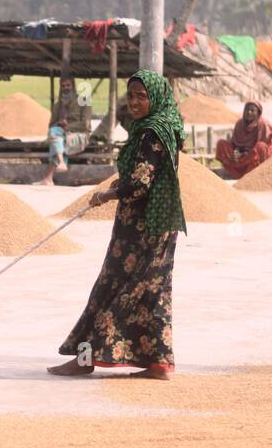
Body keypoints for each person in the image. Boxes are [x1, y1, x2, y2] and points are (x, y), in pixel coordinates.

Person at [49, 68, 185, 380]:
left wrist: (107, 194)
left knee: (111, 289)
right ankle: (157, 365)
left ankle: (85, 359)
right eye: (132, 95)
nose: (135, 102)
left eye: (142, 96)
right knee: (153, 292)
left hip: (140, 227)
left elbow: (140, 182)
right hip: (162, 225)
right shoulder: (167, 126)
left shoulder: (151, 132)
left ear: (156, 98)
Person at [41, 76, 90, 184]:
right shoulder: (57, 105)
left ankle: (49, 177)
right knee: (54, 133)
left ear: (73, 86)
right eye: (63, 86)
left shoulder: (83, 101)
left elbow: (86, 125)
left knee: (58, 140)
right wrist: (59, 124)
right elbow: (51, 125)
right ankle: (60, 164)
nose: (65, 88)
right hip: (60, 133)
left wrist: (68, 126)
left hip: (79, 135)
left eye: (68, 85)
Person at [215, 100, 272, 179]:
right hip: (241, 156)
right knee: (221, 144)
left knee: (261, 146)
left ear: (258, 113)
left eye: (252, 110)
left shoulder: (263, 124)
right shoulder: (239, 124)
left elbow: (264, 145)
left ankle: (258, 174)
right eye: (247, 110)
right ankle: (235, 172)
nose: (249, 112)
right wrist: (236, 152)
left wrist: (246, 153)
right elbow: (234, 143)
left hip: (254, 155)